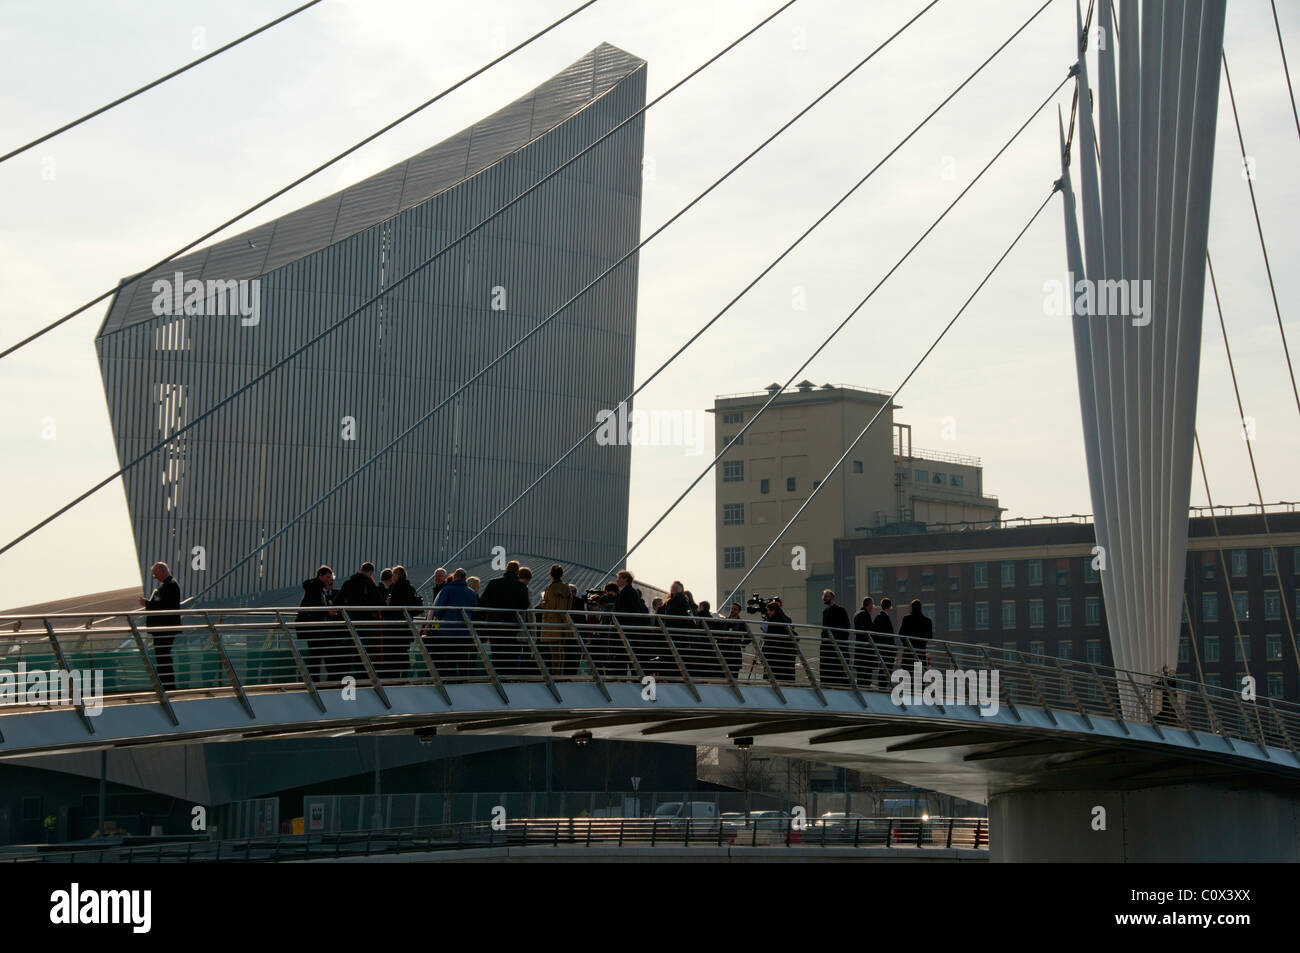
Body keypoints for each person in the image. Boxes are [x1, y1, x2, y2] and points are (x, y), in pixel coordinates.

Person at [477, 560, 531, 677]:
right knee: (509, 651)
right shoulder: (521, 586)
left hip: (493, 623)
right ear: (517, 572)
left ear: (506, 569)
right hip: (511, 624)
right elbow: (525, 605)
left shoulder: (493, 583)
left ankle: (497, 676)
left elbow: (483, 602)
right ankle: (508, 676)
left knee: (496, 651)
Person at [297, 565, 345, 682]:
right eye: (327, 577)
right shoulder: (315, 588)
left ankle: (316, 681)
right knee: (317, 658)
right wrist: (327, 612)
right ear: (320, 576)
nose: (330, 580)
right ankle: (316, 682)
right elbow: (315, 606)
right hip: (316, 629)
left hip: (319, 630)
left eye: (331, 578)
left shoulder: (314, 588)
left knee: (318, 658)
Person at [139, 562, 181, 690]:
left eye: (155, 574)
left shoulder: (171, 585)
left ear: (162, 571)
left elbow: (166, 606)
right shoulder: (167, 585)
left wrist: (148, 604)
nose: (155, 577)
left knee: (163, 657)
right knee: (162, 657)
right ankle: (166, 686)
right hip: (162, 628)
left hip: (165, 628)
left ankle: (168, 687)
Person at [338, 562, 382, 678]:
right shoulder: (369, 584)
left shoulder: (348, 583)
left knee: (348, 651)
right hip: (365, 624)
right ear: (370, 572)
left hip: (349, 622)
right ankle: (362, 678)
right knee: (363, 653)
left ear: (360, 569)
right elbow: (379, 602)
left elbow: (338, 600)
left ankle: (343, 677)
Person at [432, 568, 478, 677]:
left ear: (454, 577)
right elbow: (473, 611)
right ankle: (462, 682)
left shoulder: (447, 590)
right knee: (462, 659)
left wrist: (441, 619)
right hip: (464, 631)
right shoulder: (471, 593)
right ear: (465, 579)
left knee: (449, 659)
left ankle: (450, 683)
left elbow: (438, 610)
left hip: (447, 631)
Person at [385, 566, 423, 680]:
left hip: (396, 626)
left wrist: (388, 603)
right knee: (403, 650)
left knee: (394, 652)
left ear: (396, 575)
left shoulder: (396, 588)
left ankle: (395, 675)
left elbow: (394, 607)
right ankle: (405, 674)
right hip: (406, 624)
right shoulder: (410, 587)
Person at [538, 564, 574, 677]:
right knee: (561, 650)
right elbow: (569, 605)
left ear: (551, 574)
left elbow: (549, 605)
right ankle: (561, 673)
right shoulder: (567, 588)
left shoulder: (550, 588)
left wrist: (542, 604)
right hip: (563, 622)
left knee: (553, 650)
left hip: (551, 622)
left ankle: (555, 673)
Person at [819, 589, 852, 689]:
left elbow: (846, 626)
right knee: (828, 670)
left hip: (838, 645)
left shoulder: (840, 610)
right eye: (824, 596)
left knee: (839, 670)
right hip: (828, 647)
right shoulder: (825, 611)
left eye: (827, 596)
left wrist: (837, 638)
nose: (824, 598)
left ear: (832, 597)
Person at [760, 599, 797, 684]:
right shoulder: (785, 620)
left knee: (773, 679)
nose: (768, 613)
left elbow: (770, 638)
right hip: (786, 659)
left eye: (768, 611)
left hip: (775, 657)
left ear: (773, 611)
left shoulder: (774, 622)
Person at [896, 599, 932, 674]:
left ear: (911, 608)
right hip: (920, 653)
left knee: (908, 681)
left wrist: (907, 644)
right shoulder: (927, 621)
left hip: (908, 654)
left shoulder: (906, 619)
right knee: (920, 680)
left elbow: (901, 634)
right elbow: (929, 637)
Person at [871, 597, 896, 688]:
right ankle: (884, 686)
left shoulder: (877, 617)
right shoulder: (885, 618)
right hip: (888, 649)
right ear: (889, 607)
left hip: (881, 648)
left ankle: (882, 686)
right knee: (887, 668)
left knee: (882, 668)